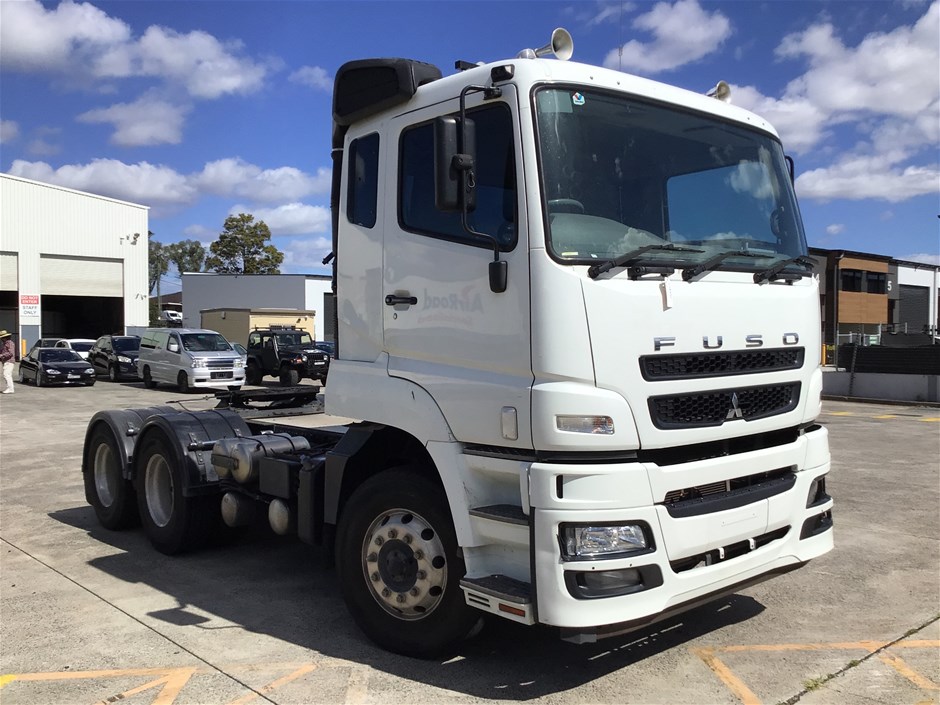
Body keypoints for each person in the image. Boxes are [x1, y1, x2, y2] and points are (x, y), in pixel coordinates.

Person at [0, 330, 15, 394]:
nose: (1, 339)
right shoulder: (5, 344)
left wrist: (2, 355)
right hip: (6, 361)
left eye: (2, 337)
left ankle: (10, 388)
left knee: (7, 375)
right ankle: (9, 388)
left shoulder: (9, 343)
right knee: (7, 375)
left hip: (9, 361)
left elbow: (11, 353)